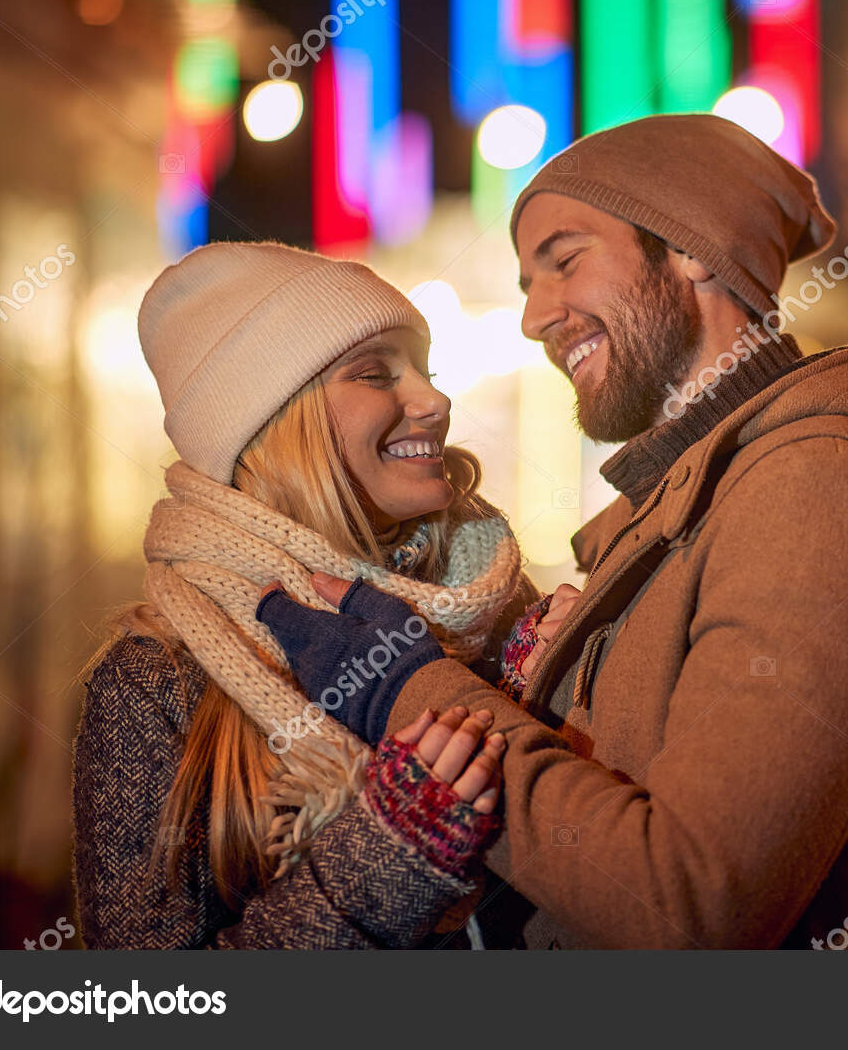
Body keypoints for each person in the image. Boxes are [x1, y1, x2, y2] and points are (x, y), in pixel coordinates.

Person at [261, 114, 848, 949]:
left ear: (693, 248)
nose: (536, 316)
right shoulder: (687, 509)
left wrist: (410, 693)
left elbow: (687, 906)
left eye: (565, 259)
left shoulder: (826, 488)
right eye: (527, 281)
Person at [72, 242, 538, 948]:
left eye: (427, 368)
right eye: (376, 372)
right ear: (270, 425)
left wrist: (558, 683)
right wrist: (389, 858)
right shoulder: (156, 676)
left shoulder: (496, 606)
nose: (435, 400)